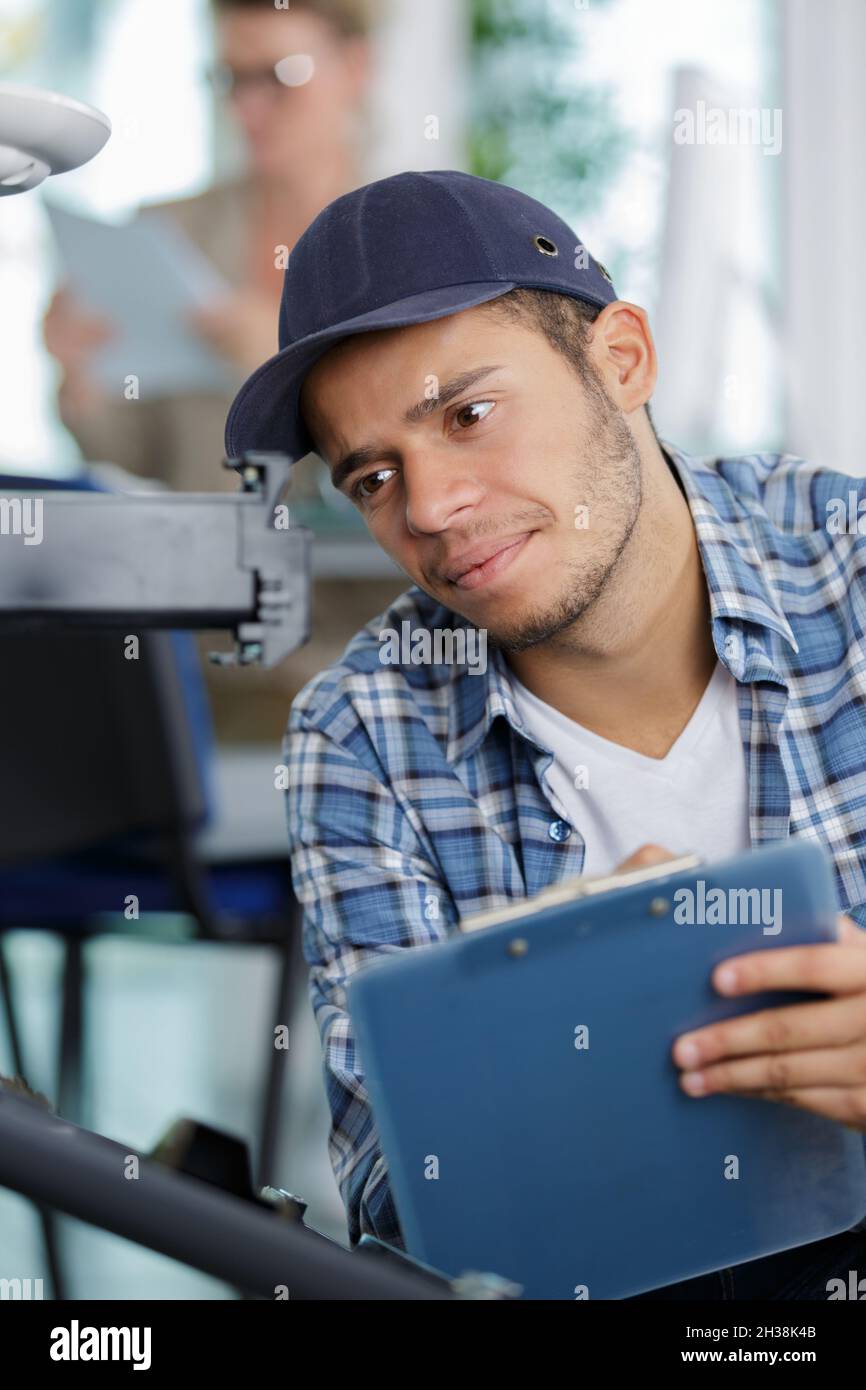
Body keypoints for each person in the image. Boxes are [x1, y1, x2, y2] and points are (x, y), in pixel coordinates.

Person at [224, 169, 866, 1298]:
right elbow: (396, 1188)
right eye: (373, 477)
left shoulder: (849, 568)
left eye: (466, 415)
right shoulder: (358, 732)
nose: (426, 509)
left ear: (620, 360)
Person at [43, 0, 405, 742]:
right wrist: (81, 375)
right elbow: (133, 450)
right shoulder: (171, 229)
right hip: (189, 630)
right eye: (229, 79)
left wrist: (282, 371)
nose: (250, 107)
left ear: (356, 69)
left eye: (281, 76)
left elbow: (426, 471)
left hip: (348, 641)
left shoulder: (407, 238)